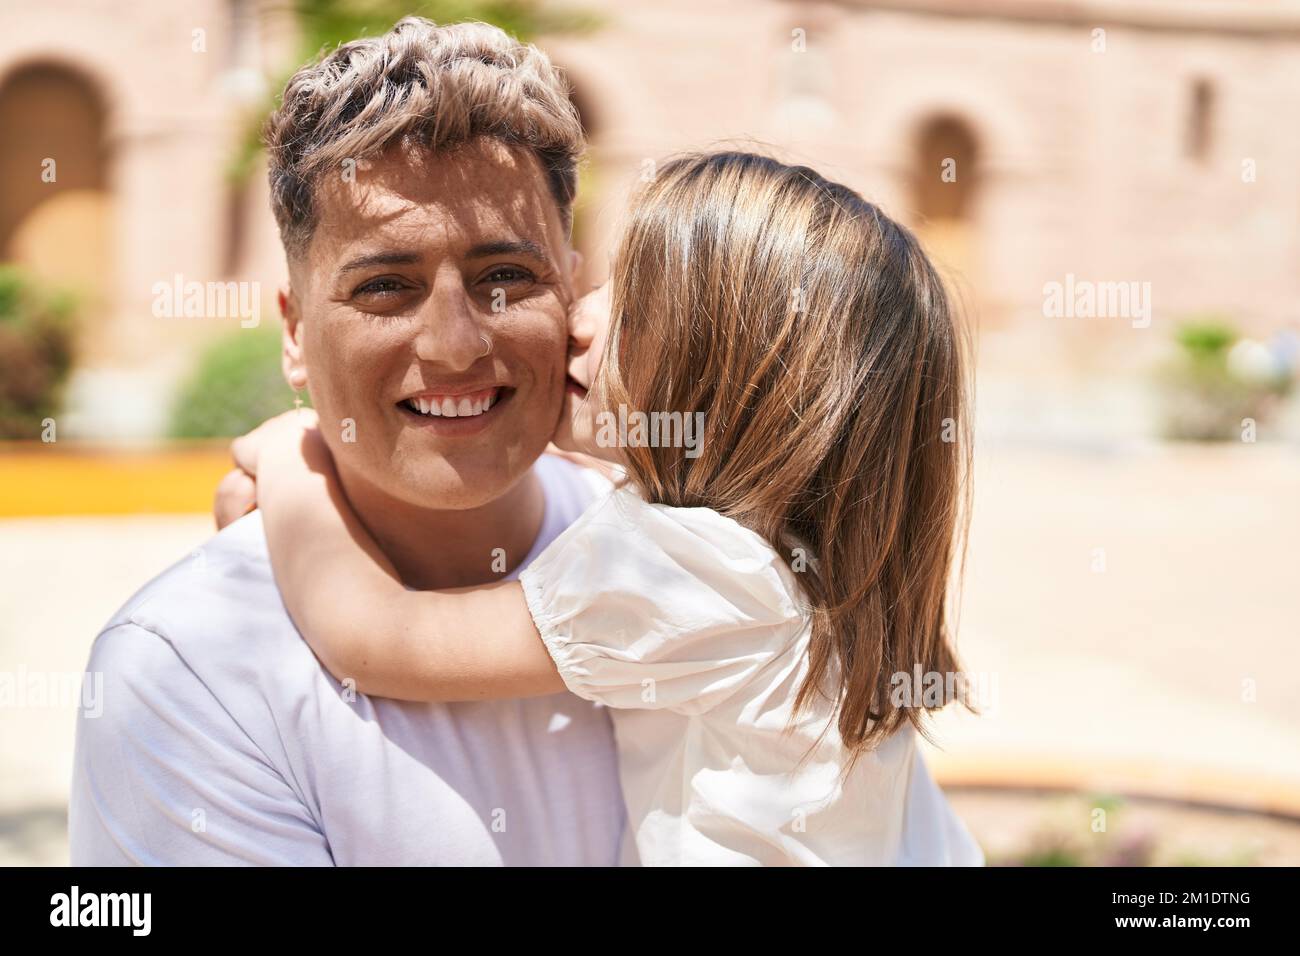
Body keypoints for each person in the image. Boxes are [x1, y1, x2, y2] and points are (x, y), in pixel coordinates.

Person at [227, 151, 986, 866]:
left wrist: (294, 456)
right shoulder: (802, 569)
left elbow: (379, 641)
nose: (578, 318)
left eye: (635, 304)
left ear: (738, 385)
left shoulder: (694, 568)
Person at [68, 17, 626, 865]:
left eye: (506, 277)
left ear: (573, 293)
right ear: (293, 331)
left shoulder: (689, 551)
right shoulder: (188, 670)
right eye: (387, 287)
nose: (455, 344)